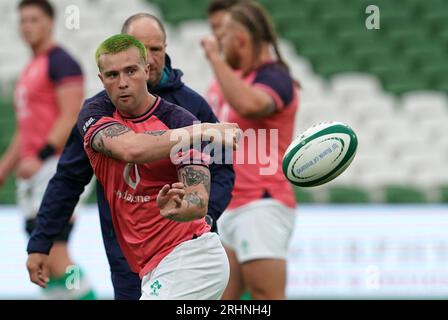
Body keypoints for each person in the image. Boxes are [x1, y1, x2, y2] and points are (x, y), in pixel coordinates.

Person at [26, 14, 235, 300]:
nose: (123, 81)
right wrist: (42, 239)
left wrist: (196, 209)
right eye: (114, 74)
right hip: (129, 251)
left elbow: (215, 176)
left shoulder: (189, 109)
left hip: (186, 250)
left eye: (156, 49)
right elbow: (70, 179)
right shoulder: (96, 111)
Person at [201, 1, 299, 300]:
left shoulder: (274, 77)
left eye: (223, 36)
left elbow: (251, 105)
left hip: (260, 203)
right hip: (230, 204)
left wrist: (214, 59)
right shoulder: (233, 80)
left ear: (241, 39)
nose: (218, 41)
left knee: (265, 297)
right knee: (223, 298)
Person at [0, 0, 95, 299]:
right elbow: (25, 129)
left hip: (57, 167)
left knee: (54, 252)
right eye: (23, 20)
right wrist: (5, 167)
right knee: (41, 257)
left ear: (50, 22)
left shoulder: (61, 62)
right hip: (34, 171)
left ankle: (86, 294)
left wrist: (40, 157)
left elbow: (71, 115)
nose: (27, 26)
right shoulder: (31, 68)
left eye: (33, 19)